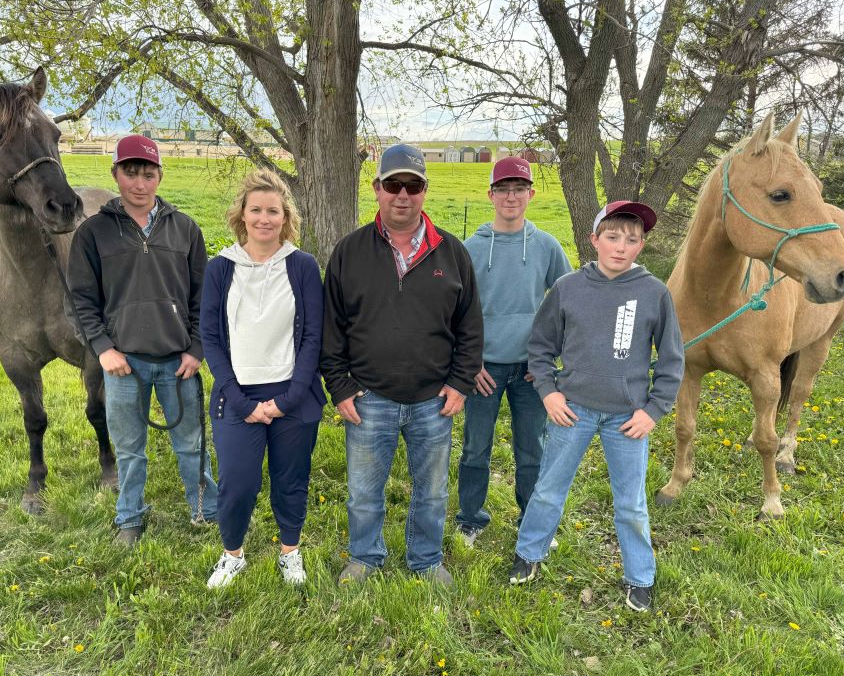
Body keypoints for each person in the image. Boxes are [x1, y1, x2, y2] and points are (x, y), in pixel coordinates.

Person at [321, 143, 483, 586]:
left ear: (425, 191)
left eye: (413, 186)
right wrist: (339, 386)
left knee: (431, 492)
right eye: (393, 184)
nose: (402, 195)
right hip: (368, 397)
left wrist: (460, 382)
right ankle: (365, 556)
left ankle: (426, 558)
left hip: (434, 400)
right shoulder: (349, 251)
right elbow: (330, 327)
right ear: (377, 188)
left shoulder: (452, 253)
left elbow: (470, 326)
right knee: (363, 492)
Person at [510, 201, 684, 612]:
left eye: (632, 240)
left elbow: (672, 360)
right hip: (573, 411)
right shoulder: (569, 288)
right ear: (595, 240)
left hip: (628, 418)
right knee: (550, 489)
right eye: (612, 238)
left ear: (641, 245)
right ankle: (529, 553)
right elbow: (540, 347)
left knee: (631, 502)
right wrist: (550, 392)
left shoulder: (654, 293)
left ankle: (640, 576)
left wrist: (653, 410)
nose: (621, 247)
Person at [68, 134, 218, 546]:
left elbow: (202, 297)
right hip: (124, 363)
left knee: (191, 444)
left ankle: (206, 509)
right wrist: (103, 348)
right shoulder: (94, 234)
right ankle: (130, 516)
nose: (139, 182)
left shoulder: (185, 229)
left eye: (148, 173)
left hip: (178, 362)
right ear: (115, 174)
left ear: (159, 176)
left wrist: (196, 350)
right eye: (130, 173)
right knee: (130, 448)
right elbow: (80, 299)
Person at [200, 169, 325, 588]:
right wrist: (242, 403)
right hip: (237, 396)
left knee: (291, 480)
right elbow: (211, 339)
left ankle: (290, 551)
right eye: (256, 210)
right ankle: (232, 553)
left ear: (285, 217)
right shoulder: (220, 268)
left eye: (273, 210)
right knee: (237, 483)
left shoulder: (303, 266)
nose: (264, 218)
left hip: (294, 395)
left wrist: (286, 401)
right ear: (242, 215)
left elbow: (312, 339)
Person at [454, 156, 571, 548]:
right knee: (475, 447)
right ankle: (470, 519)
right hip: (482, 369)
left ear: (531, 194)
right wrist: (468, 363)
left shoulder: (546, 246)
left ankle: (532, 519)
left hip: (530, 370)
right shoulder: (470, 249)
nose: (511, 196)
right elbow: (453, 313)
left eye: (519, 189)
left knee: (531, 450)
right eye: (503, 189)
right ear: (490, 194)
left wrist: (550, 360)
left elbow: (569, 302)